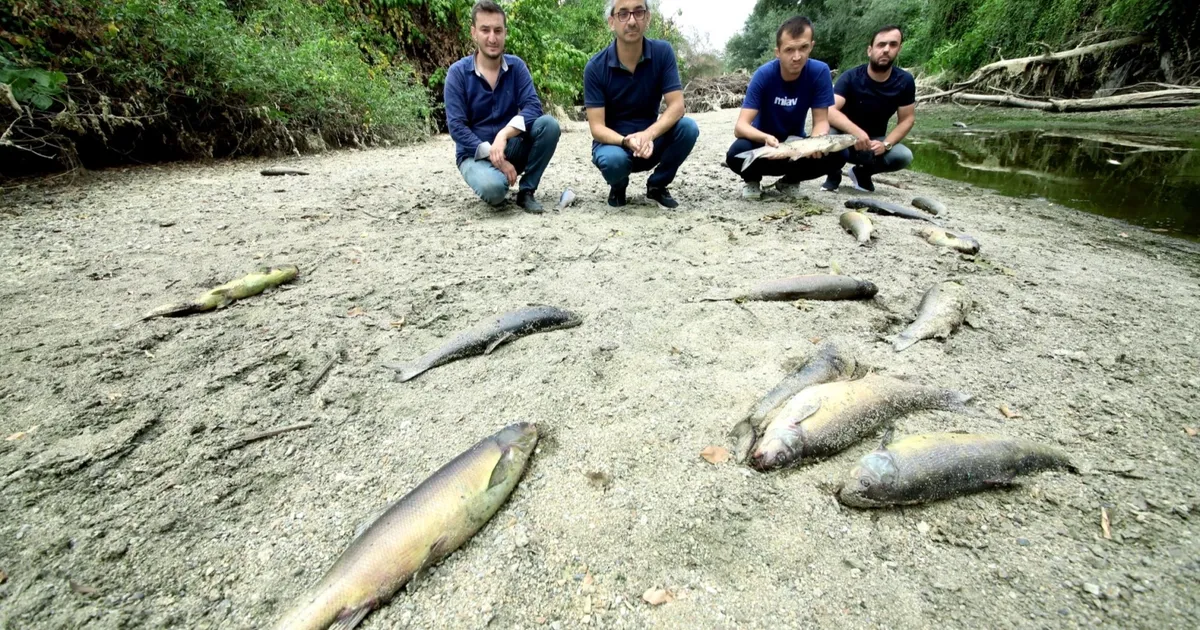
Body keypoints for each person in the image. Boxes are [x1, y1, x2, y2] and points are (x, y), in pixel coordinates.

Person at [444, 1, 561, 213]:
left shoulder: (517, 67)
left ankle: (526, 191)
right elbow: (457, 128)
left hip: (510, 146)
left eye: (498, 30)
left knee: (549, 125)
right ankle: (498, 178)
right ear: (473, 33)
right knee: (495, 190)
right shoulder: (457, 74)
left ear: (505, 32)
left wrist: (504, 134)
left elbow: (533, 107)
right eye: (485, 30)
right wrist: (494, 156)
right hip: (473, 154)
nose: (492, 38)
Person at [584, 0, 699, 208]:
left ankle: (657, 185)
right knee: (613, 161)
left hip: (651, 142)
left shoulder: (663, 53)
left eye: (638, 12)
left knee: (688, 128)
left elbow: (677, 106)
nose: (631, 21)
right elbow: (597, 127)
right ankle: (618, 186)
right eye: (623, 14)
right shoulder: (595, 67)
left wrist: (649, 135)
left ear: (647, 18)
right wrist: (625, 141)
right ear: (612, 22)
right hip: (614, 145)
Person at [725, 16, 846, 200]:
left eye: (803, 48)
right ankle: (752, 180)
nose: (797, 57)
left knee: (839, 153)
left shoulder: (820, 72)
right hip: (764, 145)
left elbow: (821, 121)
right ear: (778, 52)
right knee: (736, 153)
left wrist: (817, 143)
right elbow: (740, 126)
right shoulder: (763, 75)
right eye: (789, 50)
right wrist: (765, 137)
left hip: (796, 146)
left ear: (811, 46)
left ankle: (789, 181)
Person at [823, 25, 916, 192]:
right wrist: (856, 133)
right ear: (870, 50)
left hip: (875, 142)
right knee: (827, 136)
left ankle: (862, 173)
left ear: (899, 49)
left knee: (903, 155)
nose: (886, 50)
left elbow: (907, 119)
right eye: (881, 45)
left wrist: (886, 144)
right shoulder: (850, 77)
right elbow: (829, 110)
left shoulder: (905, 81)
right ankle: (833, 172)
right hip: (845, 139)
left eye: (893, 45)